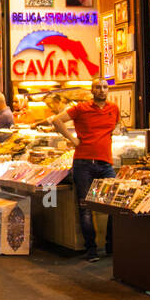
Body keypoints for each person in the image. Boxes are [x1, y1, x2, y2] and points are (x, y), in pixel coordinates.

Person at [53, 77, 124, 262]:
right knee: (85, 208)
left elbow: (116, 127)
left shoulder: (113, 109)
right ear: (92, 91)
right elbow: (57, 121)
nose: (101, 90)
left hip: (105, 163)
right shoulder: (81, 108)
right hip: (83, 163)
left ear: (108, 91)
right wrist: (72, 139)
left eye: (104, 87)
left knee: (115, 204)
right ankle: (91, 249)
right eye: (97, 87)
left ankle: (111, 245)